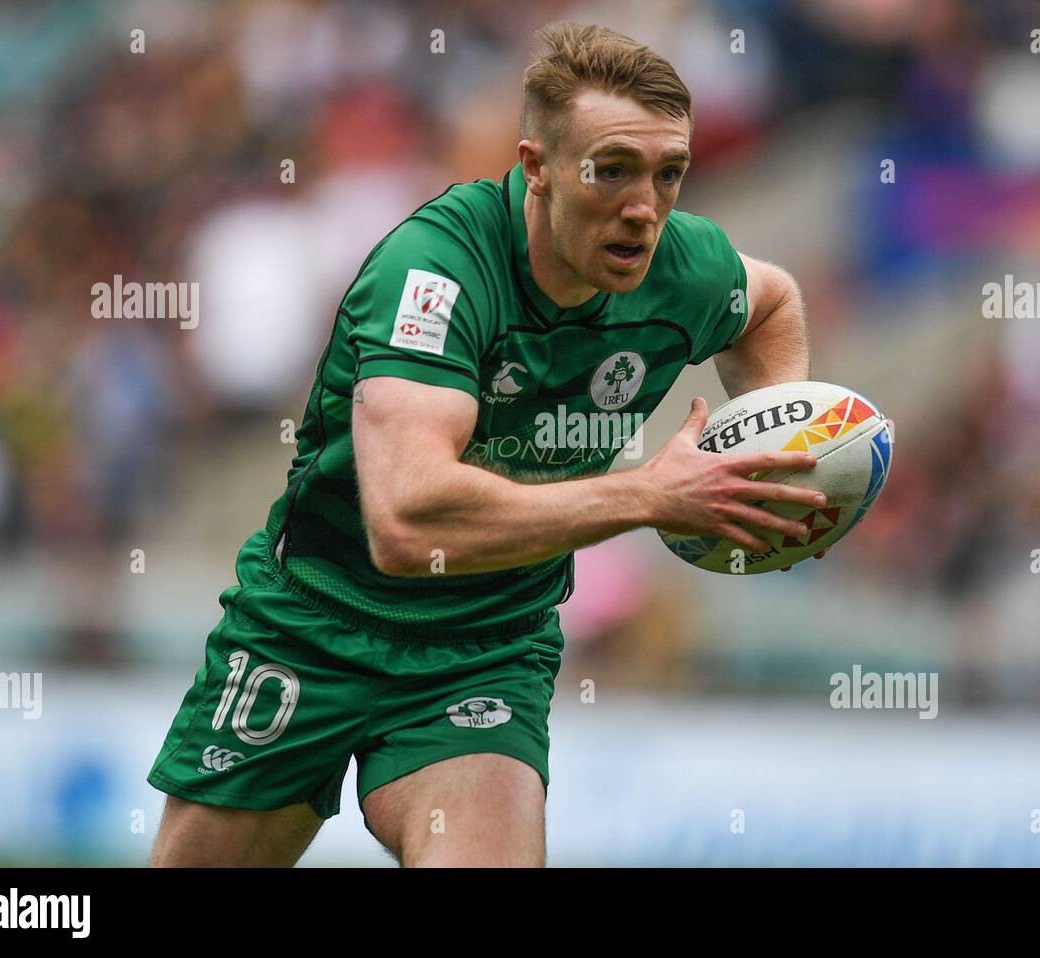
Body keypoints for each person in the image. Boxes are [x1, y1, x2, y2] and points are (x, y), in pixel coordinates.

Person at [147, 21, 822, 868]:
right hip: (316, 623)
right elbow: (405, 525)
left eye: (669, 174)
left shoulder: (683, 269)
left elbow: (771, 303)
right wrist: (650, 494)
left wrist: (777, 432)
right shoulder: (432, 273)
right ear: (535, 167)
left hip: (484, 651)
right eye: (612, 170)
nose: (645, 208)